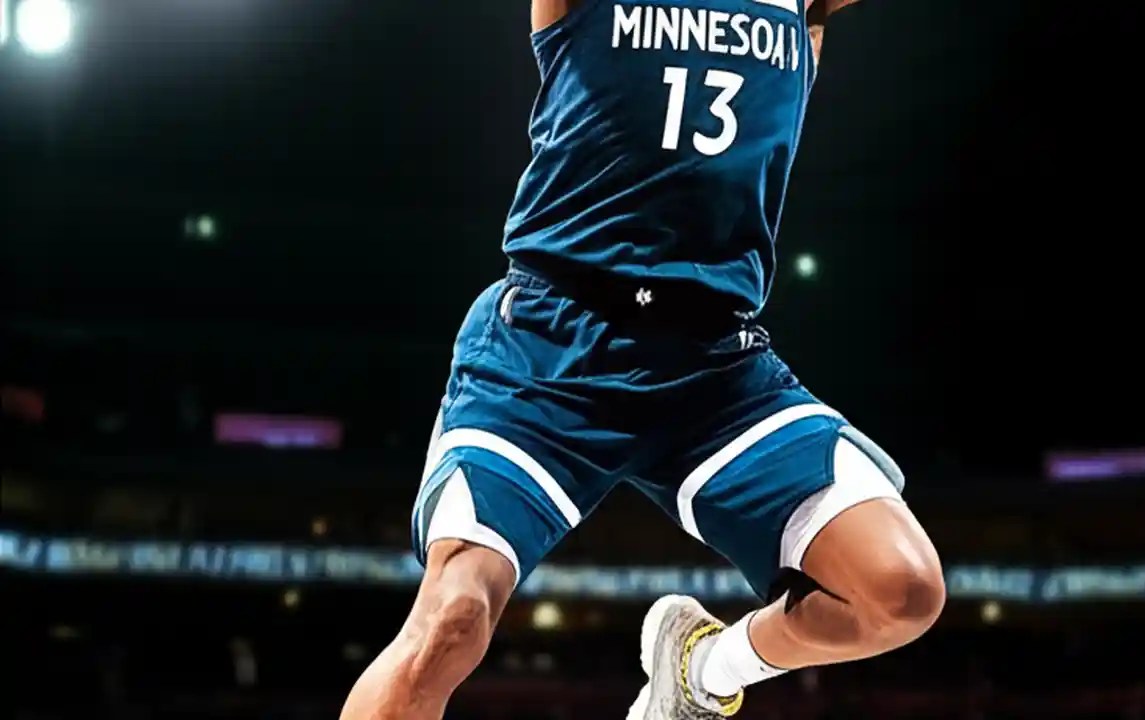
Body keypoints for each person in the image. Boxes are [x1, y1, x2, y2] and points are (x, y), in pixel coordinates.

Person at [341, 1, 945, 718]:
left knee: (900, 591)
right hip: (553, 346)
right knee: (451, 621)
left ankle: (703, 671)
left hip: (714, 366)